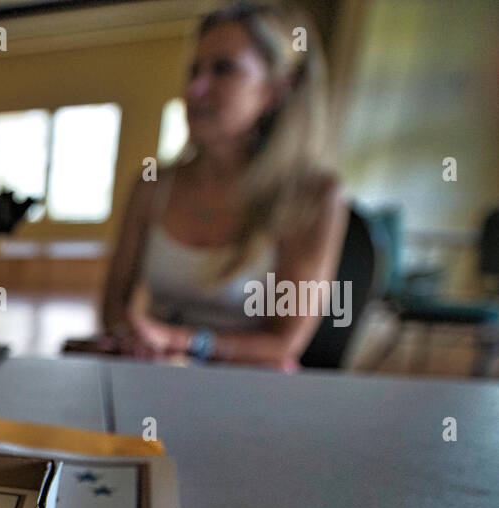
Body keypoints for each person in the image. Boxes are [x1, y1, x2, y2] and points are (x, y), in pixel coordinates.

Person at [95, 1, 348, 370]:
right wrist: (132, 336)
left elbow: (284, 345)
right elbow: (113, 305)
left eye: (224, 70)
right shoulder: (152, 185)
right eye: (194, 70)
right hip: (158, 379)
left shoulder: (315, 196)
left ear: (278, 88)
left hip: (249, 394)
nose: (195, 89)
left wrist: (179, 343)